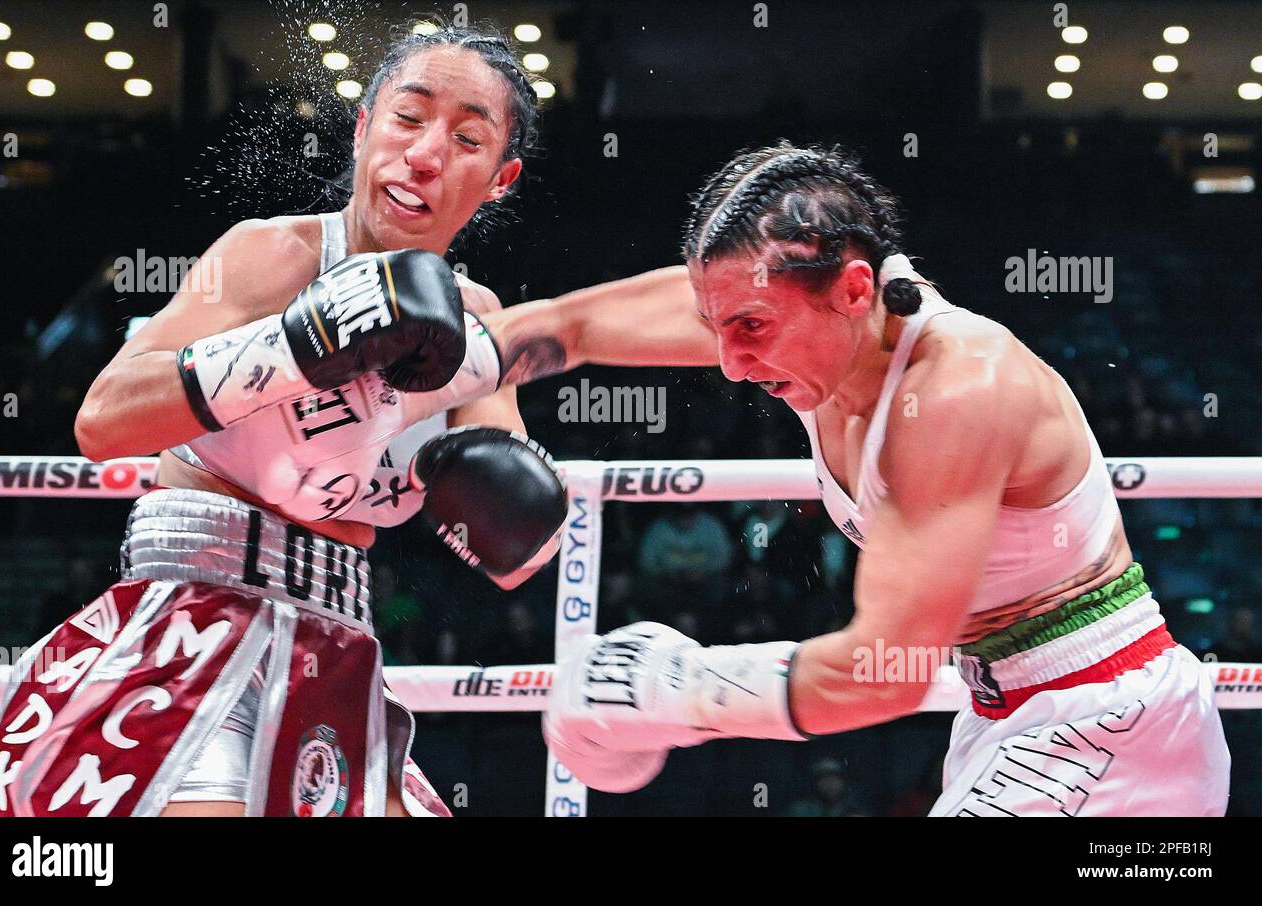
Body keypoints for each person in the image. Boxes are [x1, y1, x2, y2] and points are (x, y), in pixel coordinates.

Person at [520, 141, 1230, 816]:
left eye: (749, 328)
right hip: (1010, 712)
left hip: (1109, 719)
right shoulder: (810, 325)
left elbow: (888, 672)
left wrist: (677, 689)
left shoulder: (956, 389)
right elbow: (570, 326)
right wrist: (473, 354)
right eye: (715, 326)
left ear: (856, 290)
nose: (730, 362)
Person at [0, 24, 574, 818]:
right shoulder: (273, 256)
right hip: (193, 624)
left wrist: (510, 501)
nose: (427, 153)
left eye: (467, 137)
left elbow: (517, 545)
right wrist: (300, 344)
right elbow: (102, 419)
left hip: (337, 648)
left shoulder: (475, 323)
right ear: (364, 129)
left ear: (500, 178)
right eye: (407, 117)